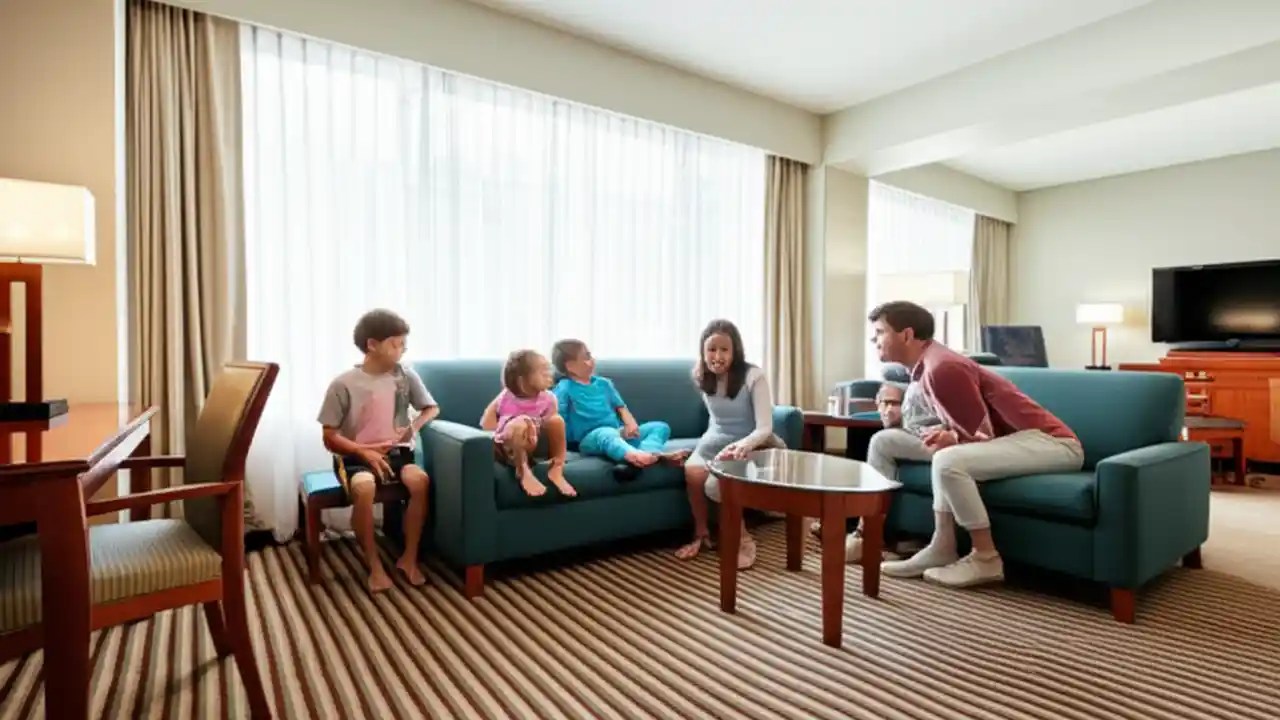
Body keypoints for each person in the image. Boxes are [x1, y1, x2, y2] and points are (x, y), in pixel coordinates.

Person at [868, 301, 1084, 588]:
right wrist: (949, 434)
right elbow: (972, 426)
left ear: (907, 335)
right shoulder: (927, 365)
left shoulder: (942, 367)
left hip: (1051, 442)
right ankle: (940, 545)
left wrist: (953, 437)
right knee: (909, 446)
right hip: (1018, 440)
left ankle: (985, 558)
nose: (875, 339)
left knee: (949, 459)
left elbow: (984, 435)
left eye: (880, 332)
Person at [318, 308, 437, 593]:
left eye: (403, 345)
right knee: (364, 487)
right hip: (355, 458)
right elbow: (329, 436)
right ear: (372, 344)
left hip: (397, 453)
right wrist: (362, 451)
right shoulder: (343, 383)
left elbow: (431, 407)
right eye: (396, 344)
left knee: (419, 482)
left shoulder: (406, 376)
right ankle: (374, 565)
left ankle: (408, 558)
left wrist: (414, 427)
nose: (401, 350)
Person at [674, 319, 785, 570]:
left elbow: (764, 427)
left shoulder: (753, 375)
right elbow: (717, 420)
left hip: (755, 441)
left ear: (735, 351)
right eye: (712, 349)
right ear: (703, 352)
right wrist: (701, 448)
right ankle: (701, 535)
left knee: (719, 483)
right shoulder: (700, 375)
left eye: (724, 349)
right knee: (692, 472)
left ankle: (742, 540)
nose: (717, 355)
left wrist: (743, 445)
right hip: (716, 439)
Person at [550, 339, 689, 474]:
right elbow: (558, 418)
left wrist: (630, 423)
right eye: (586, 357)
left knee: (660, 427)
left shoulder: (604, 384)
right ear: (570, 366)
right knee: (606, 433)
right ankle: (637, 457)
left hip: (617, 433)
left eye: (590, 355)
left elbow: (620, 407)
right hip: (588, 440)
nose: (592, 360)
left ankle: (646, 455)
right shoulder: (565, 388)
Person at [481, 349, 575, 498]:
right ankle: (522, 469)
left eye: (548, 368)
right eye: (542, 370)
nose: (548, 373)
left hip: (534, 443)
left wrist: (534, 430)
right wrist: (503, 434)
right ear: (522, 380)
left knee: (556, 421)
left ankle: (557, 467)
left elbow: (549, 427)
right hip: (507, 446)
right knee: (520, 423)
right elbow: (486, 424)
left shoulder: (549, 398)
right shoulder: (506, 396)